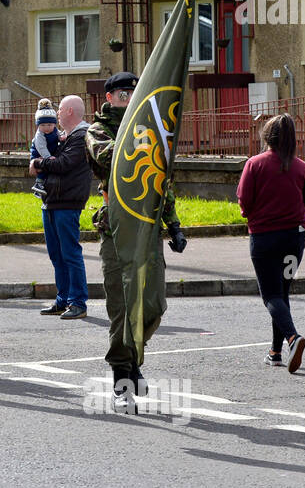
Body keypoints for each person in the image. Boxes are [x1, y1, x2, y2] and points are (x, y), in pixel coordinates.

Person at [86, 71, 188, 413]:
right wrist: (141, 138)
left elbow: (160, 180)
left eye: (133, 93)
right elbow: (109, 157)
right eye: (121, 94)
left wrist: (173, 225)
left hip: (147, 229)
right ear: (110, 97)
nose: (127, 98)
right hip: (116, 230)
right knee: (121, 306)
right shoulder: (96, 130)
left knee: (154, 304)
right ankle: (121, 377)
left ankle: (133, 358)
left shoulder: (148, 132)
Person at [237, 114, 305, 373]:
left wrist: (250, 212)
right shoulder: (301, 167)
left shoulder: (254, 164)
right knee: (282, 292)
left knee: (270, 295)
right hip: (295, 239)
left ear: (267, 137)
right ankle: (275, 351)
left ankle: (292, 338)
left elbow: (244, 201)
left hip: (264, 238)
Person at [31, 94, 91, 320]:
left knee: (70, 254)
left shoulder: (81, 136)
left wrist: (37, 163)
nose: (56, 114)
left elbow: (64, 164)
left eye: (60, 110)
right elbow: (51, 157)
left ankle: (78, 302)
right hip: (51, 200)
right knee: (56, 254)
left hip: (67, 201)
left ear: (69, 112)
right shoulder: (63, 137)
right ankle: (63, 300)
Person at [29, 98, 58, 200]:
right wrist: (47, 157)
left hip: (48, 152)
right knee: (41, 167)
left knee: (47, 169)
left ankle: (41, 187)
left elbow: (58, 135)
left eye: (49, 125)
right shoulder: (39, 135)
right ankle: (38, 184)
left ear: (54, 124)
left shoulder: (55, 131)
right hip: (38, 152)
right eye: (42, 125)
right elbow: (41, 147)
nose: (46, 127)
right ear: (38, 125)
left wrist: (62, 137)